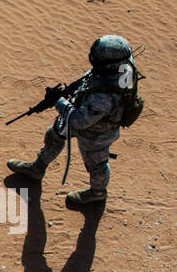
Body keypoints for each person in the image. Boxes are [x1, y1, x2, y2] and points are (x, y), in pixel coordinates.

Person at [8, 34, 143, 209]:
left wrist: (58, 101)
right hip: (87, 111)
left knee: (97, 163)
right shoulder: (123, 65)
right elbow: (94, 79)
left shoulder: (105, 95)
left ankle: (97, 194)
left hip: (98, 131)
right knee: (54, 134)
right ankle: (37, 169)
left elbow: (78, 121)